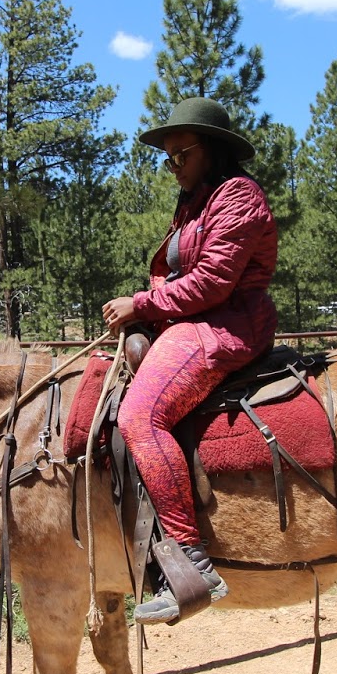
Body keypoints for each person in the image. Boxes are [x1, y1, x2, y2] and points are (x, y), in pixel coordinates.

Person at [102, 97, 279, 624]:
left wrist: (142, 303)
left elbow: (213, 282)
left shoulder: (239, 197)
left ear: (213, 150)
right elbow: (178, 274)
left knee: (139, 415)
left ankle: (190, 560)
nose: (173, 165)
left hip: (223, 325)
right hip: (191, 320)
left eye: (182, 154)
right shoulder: (197, 201)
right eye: (169, 158)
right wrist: (149, 305)